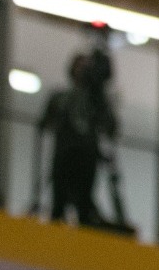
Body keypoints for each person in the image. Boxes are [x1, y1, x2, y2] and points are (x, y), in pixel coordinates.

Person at [37, 38, 119, 226]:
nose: (84, 71)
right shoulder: (61, 97)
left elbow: (112, 129)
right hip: (64, 155)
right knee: (58, 204)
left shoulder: (97, 103)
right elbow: (45, 123)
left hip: (87, 157)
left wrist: (102, 99)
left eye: (88, 67)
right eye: (80, 66)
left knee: (84, 205)